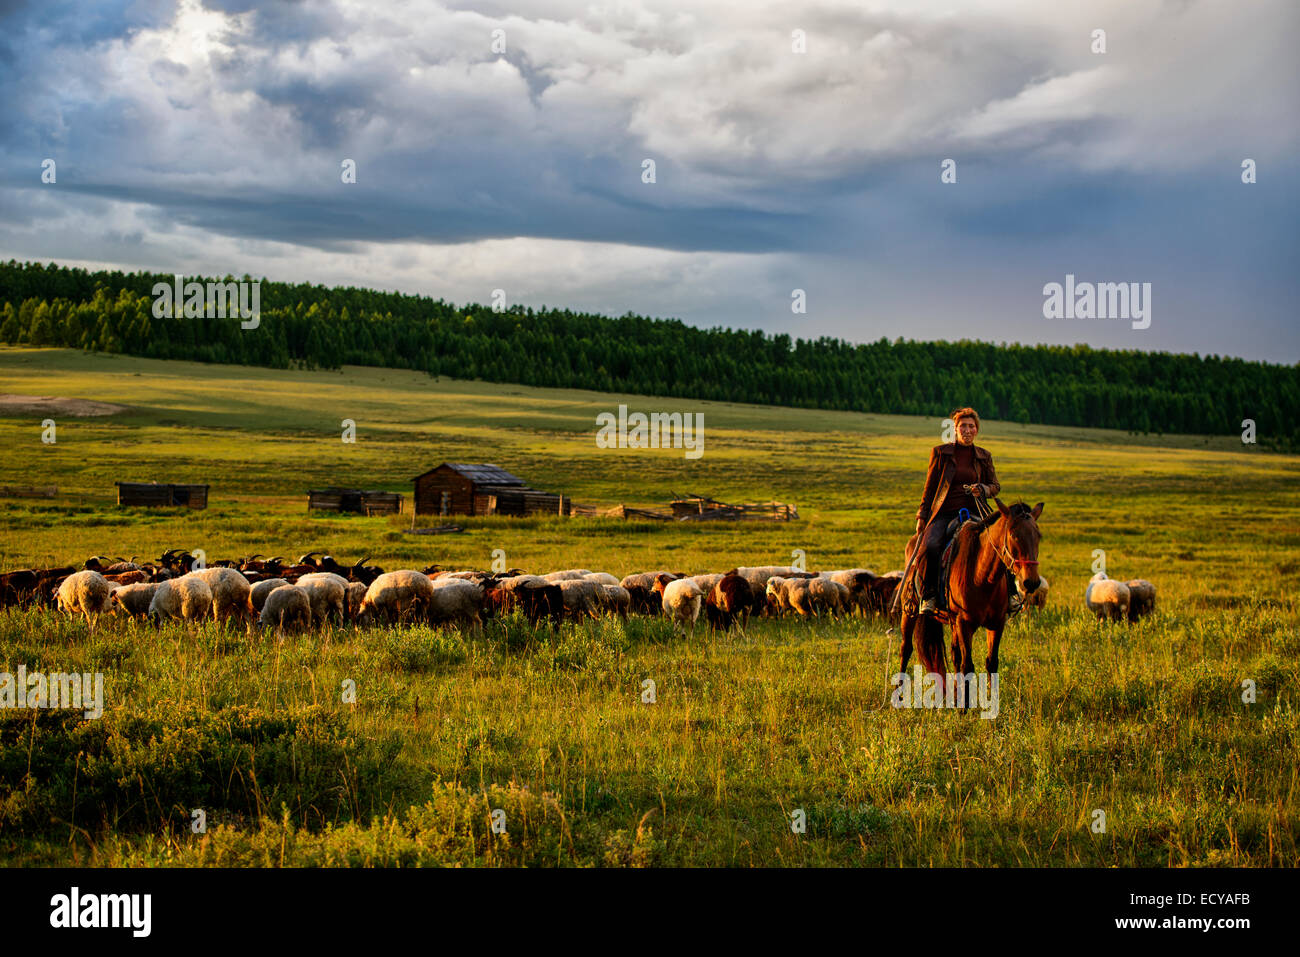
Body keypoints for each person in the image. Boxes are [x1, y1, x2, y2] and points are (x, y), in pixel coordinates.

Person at [913, 407, 1003, 615]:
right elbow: (929, 488)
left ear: (977, 430)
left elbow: (995, 486)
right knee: (930, 546)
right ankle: (929, 596)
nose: (967, 430)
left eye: (971, 426)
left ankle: (1011, 594)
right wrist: (922, 516)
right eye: (963, 426)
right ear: (955, 428)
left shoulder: (984, 456)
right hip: (944, 513)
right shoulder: (940, 453)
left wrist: (983, 489)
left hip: (976, 512)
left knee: (1000, 543)